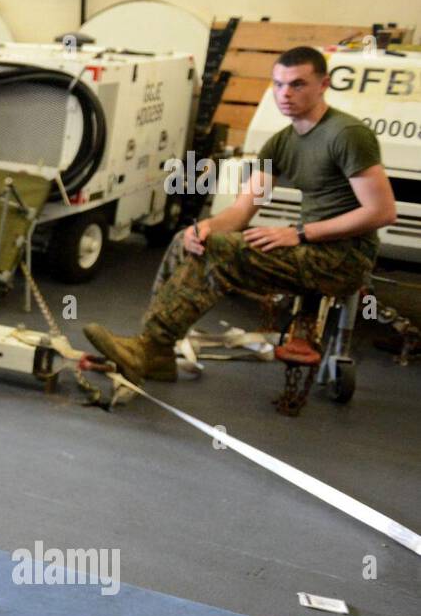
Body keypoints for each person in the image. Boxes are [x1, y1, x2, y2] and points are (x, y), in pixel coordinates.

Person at [84, 46, 397, 384]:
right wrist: (203, 226)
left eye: (297, 84)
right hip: (310, 249)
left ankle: (150, 348)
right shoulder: (280, 143)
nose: (285, 94)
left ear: (323, 85)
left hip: (344, 258)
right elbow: (242, 210)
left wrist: (300, 233)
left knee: (220, 251)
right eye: (278, 85)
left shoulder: (347, 135)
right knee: (187, 242)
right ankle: (156, 352)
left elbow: (381, 212)